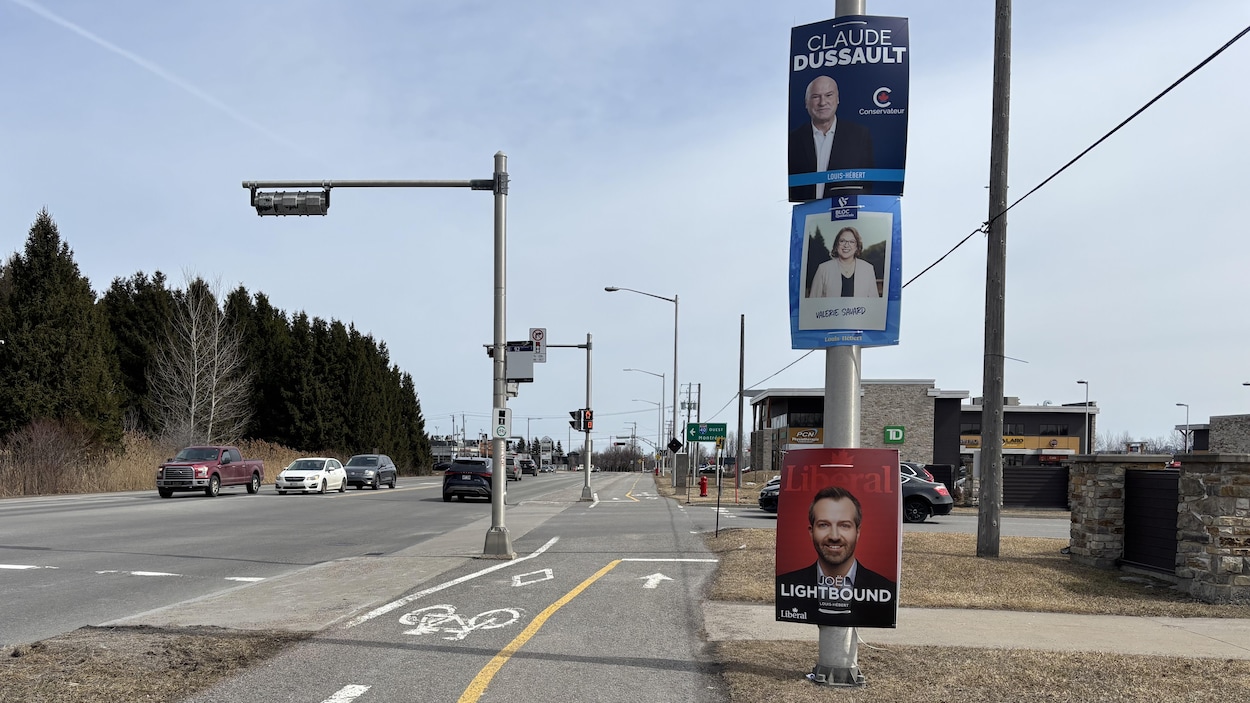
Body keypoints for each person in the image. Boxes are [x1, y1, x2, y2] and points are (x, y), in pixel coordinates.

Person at [776, 485, 897, 627]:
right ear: (811, 532)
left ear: (857, 532)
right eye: (824, 525)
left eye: (844, 525)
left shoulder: (885, 589)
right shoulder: (788, 586)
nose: (834, 536)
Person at [788, 75, 875, 201]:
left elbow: (869, 183)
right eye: (815, 97)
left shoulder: (860, 135)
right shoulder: (794, 139)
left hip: (850, 213)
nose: (822, 102)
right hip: (809, 214)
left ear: (837, 99)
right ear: (806, 103)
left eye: (828, 95)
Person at [807, 226, 879, 298]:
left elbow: (874, 304)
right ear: (837, 244)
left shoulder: (868, 269)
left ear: (857, 246)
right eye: (842, 241)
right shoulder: (823, 269)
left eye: (851, 242)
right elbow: (813, 302)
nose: (846, 245)